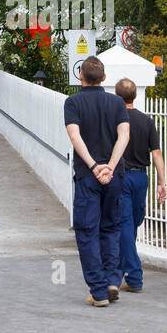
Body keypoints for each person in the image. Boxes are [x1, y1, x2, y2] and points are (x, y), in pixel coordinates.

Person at [63, 56, 130, 307]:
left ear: (81, 75)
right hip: (114, 175)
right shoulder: (117, 103)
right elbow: (124, 136)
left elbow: (75, 137)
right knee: (111, 228)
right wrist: (110, 166)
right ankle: (113, 279)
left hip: (87, 176)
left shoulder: (73, 103)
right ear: (104, 78)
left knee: (87, 231)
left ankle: (99, 291)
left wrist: (93, 166)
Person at [113, 78, 167, 293]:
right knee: (132, 223)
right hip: (141, 178)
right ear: (135, 96)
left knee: (128, 225)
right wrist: (162, 181)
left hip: (122, 177)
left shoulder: (116, 121)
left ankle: (133, 276)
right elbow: (156, 154)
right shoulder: (147, 121)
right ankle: (124, 272)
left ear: (117, 97)